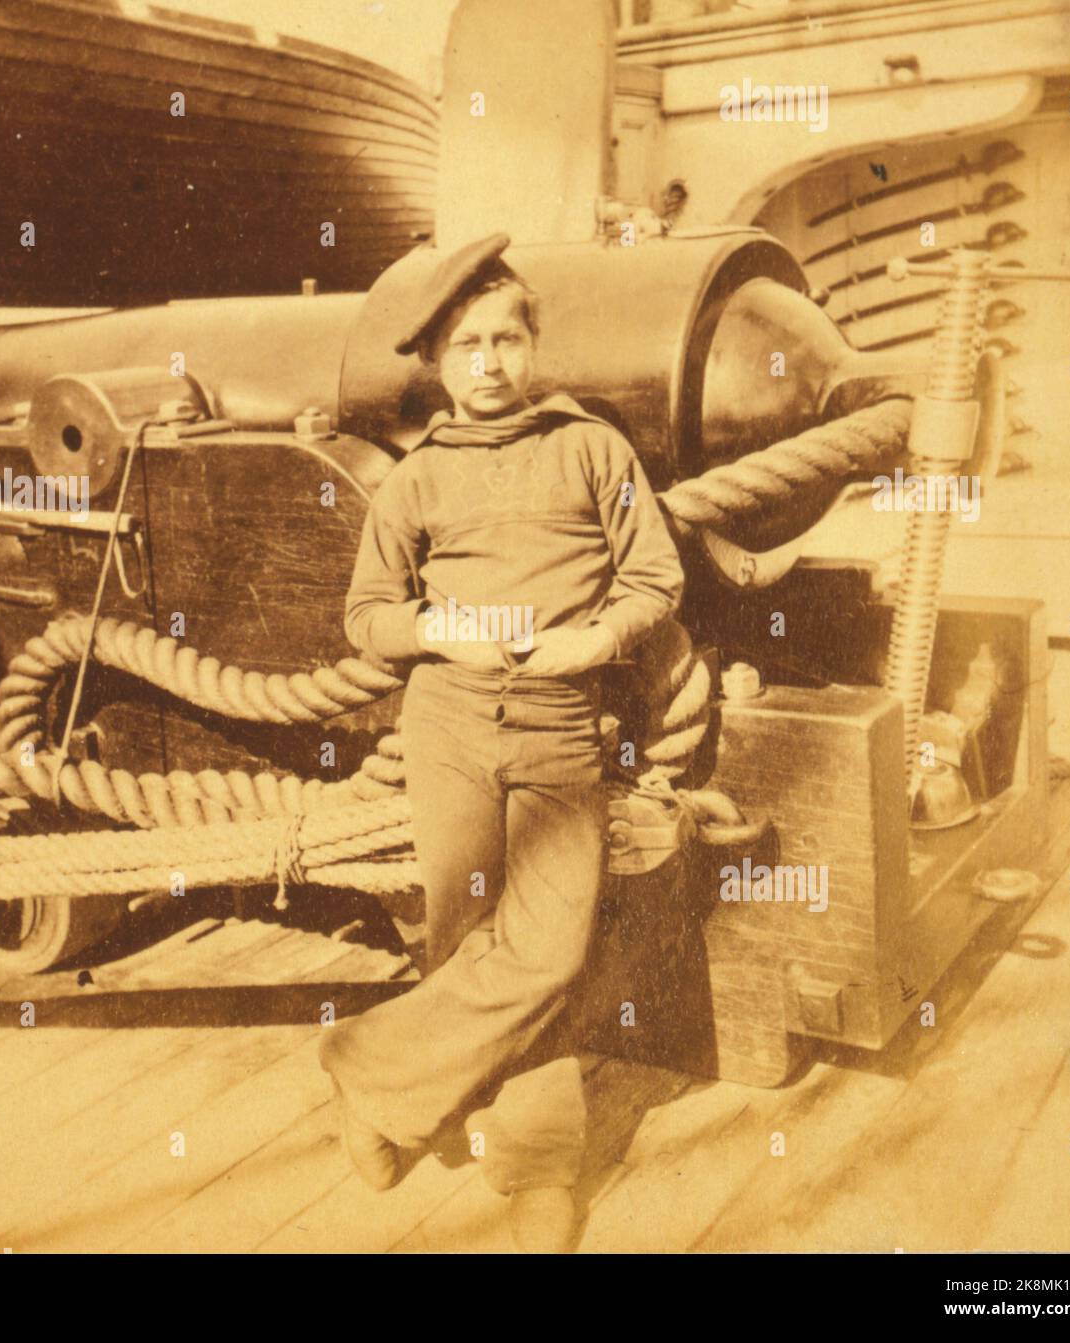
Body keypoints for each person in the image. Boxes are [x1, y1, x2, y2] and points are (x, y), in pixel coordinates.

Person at [318, 233, 685, 1251]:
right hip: (445, 728)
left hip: (561, 723)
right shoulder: (415, 478)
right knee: (465, 943)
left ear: (535, 348)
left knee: (551, 952)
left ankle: (370, 1070)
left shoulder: (591, 449)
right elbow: (366, 615)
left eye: (506, 339)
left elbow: (655, 578)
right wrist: (433, 627)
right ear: (437, 365)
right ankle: (531, 1166)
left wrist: (597, 638)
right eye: (466, 345)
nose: (488, 362)